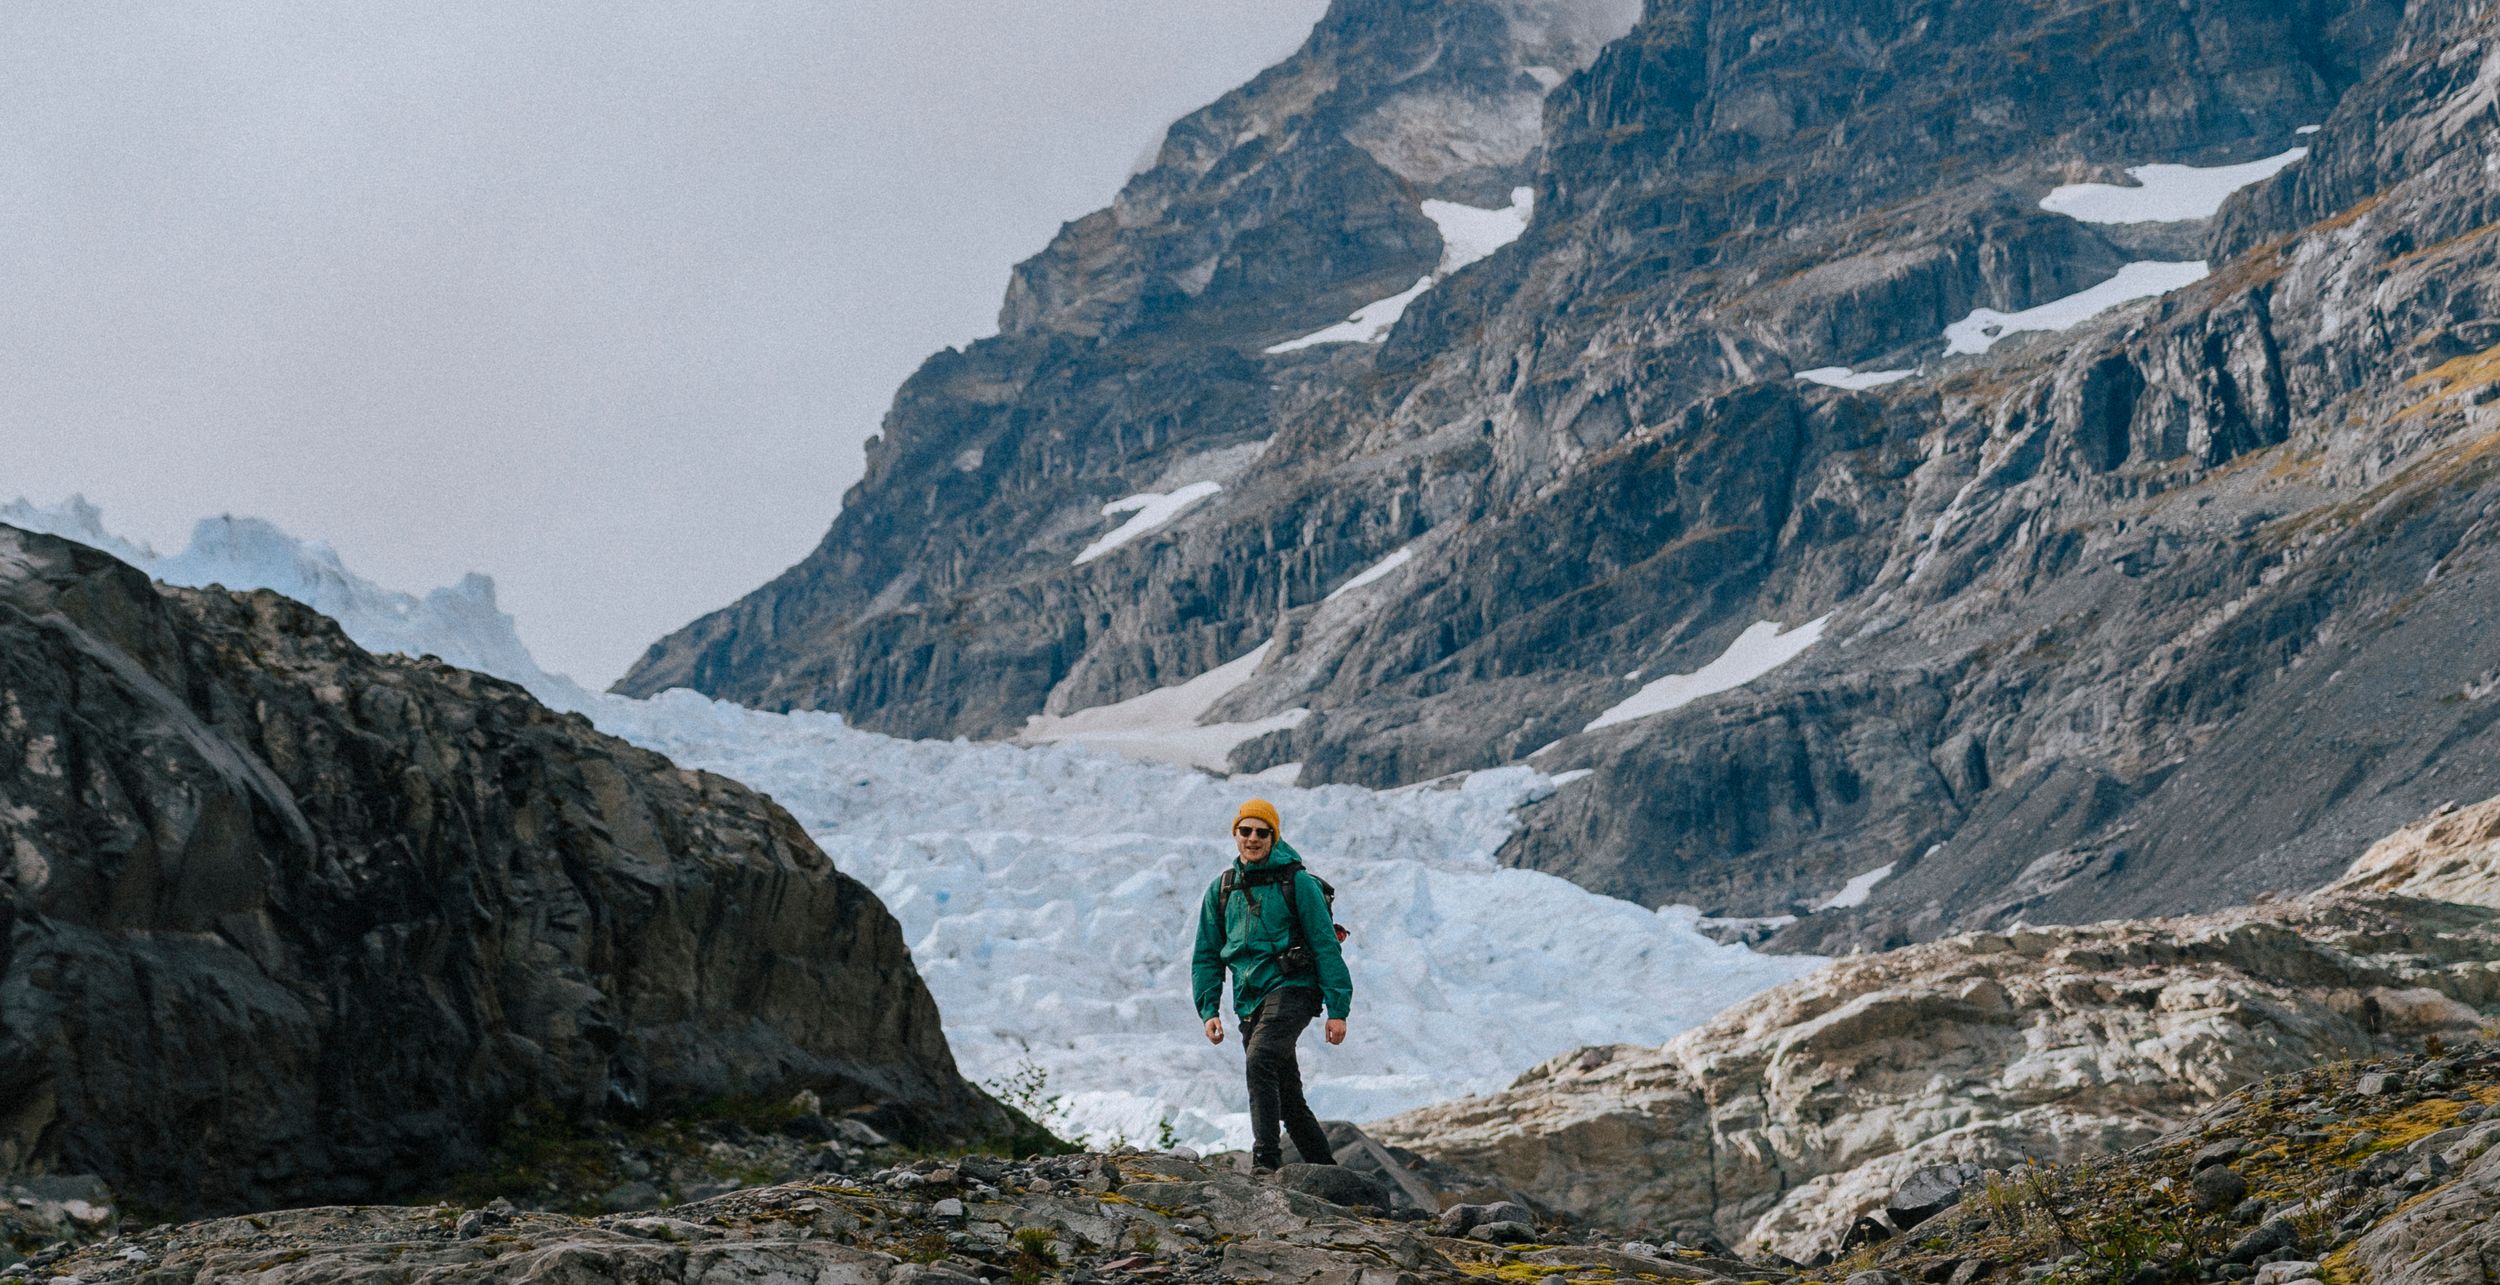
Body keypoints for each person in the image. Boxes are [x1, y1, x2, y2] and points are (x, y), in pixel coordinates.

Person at [1190, 797, 1351, 1173]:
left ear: (1274, 836)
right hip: (1249, 1000)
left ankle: (1265, 1163)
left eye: (1262, 832)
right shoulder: (1222, 889)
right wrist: (1208, 1008)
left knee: (1259, 1059)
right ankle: (1329, 1174)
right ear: (1235, 834)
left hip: (1294, 987)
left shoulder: (1297, 883)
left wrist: (1338, 1010)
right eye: (1245, 831)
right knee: (1288, 1097)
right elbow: (1207, 953)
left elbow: (1326, 946)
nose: (1253, 838)